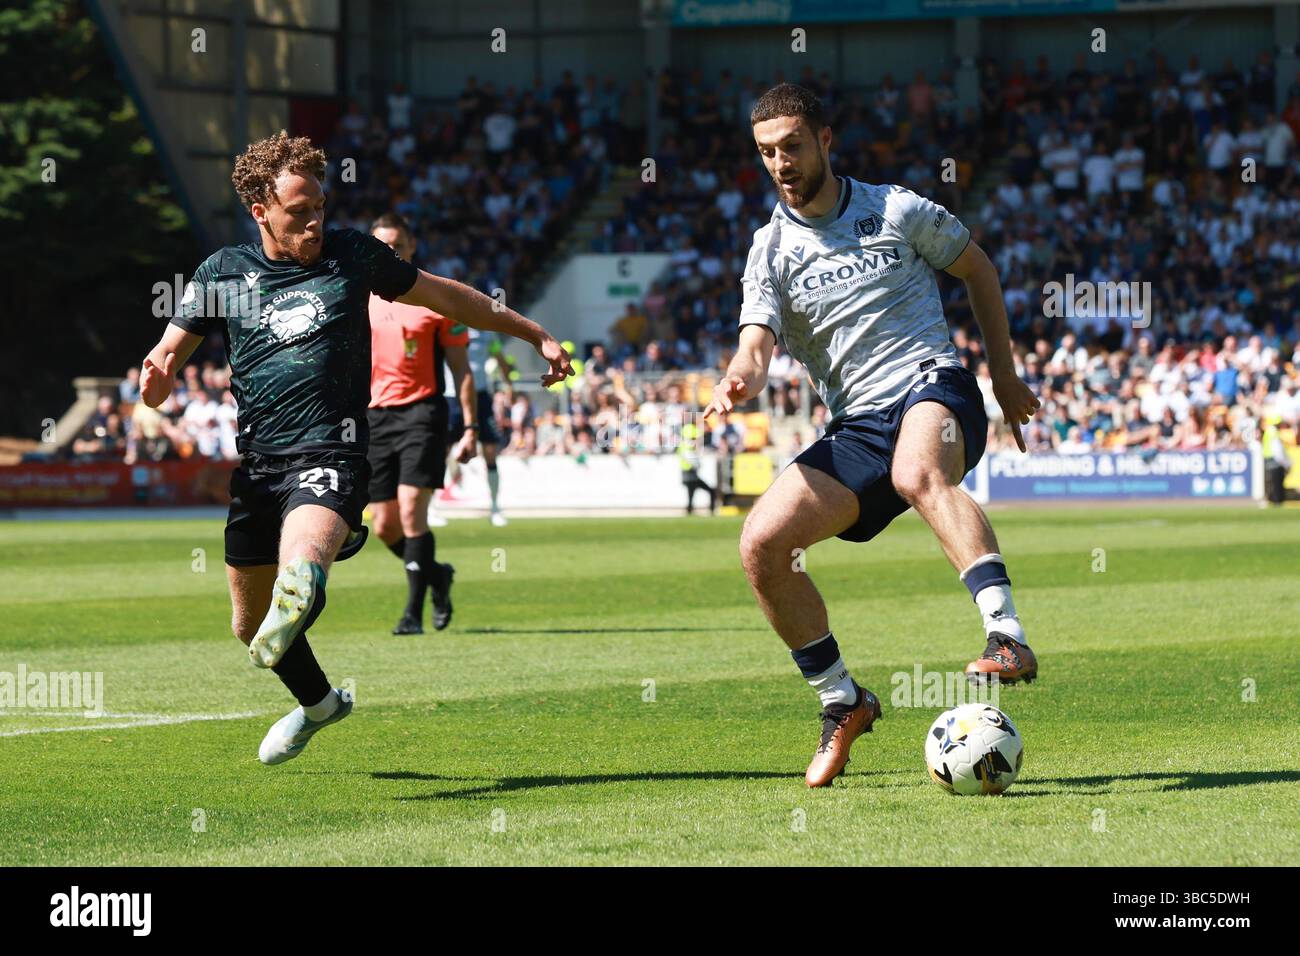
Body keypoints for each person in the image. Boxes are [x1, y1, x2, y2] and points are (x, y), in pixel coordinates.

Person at [138, 132, 571, 766]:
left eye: (320, 207)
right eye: (298, 211)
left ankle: (306, 577)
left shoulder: (351, 257)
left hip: (331, 452)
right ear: (260, 209)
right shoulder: (224, 275)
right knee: (252, 629)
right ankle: (319, 704)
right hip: (258, 467)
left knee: (301, 560)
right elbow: (166, 358)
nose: (315, 222)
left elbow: (445, 295)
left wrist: (533, 333)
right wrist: (157, 379)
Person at [703, 85, 1040, 788]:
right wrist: (739, 378)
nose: (781, 162)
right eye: (767, 152)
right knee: (762, 544)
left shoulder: (896, 209)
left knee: (919, 473)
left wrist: (1004, 379)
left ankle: (1006, 635)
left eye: (792, 145)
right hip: (857, 427)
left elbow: (978, 268)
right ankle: (842, 702)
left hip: (933, 385)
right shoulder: (770, 251)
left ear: (826, 140)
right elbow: (756, 345)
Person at [366, 212, 477, 635]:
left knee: (413, 511)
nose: (390, 252)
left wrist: (470, 427)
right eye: (382, 245)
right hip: (373, 417)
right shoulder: (358, 297)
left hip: (422, 414)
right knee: (384, 525)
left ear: (411, 248)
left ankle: (412, 613)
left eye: (397, 245)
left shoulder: (436, 298)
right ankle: (437, 574)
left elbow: (461, 370)